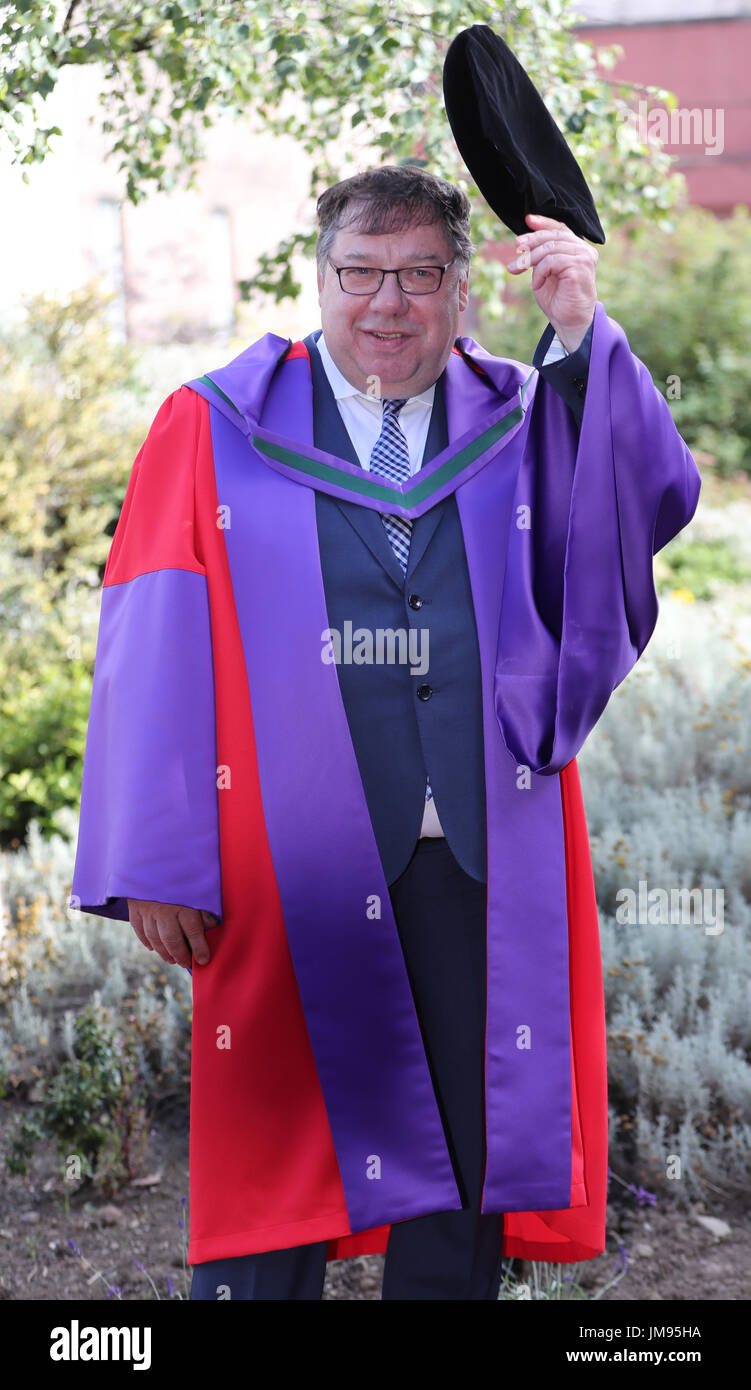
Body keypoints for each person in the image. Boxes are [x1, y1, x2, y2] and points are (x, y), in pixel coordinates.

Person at [69, 163, 701, 1300]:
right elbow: (150, 634)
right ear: (319, 281)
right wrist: (156, 859)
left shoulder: (519, 411)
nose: (388, 302)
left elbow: (641, 493)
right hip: (284, 857)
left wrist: (583, 329)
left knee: (468, 1160)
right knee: (276, 1162)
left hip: (476, 846)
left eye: (420, 274)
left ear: (463, 291)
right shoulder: (215, 426)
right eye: (361, 272)